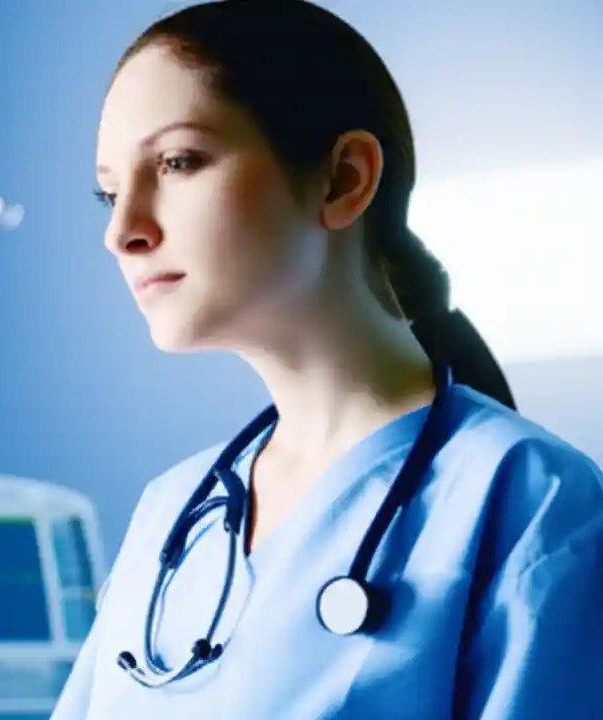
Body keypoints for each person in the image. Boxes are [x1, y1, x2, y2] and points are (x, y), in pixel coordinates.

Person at [54, 1, 603, 717]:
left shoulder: (531, 502)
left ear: (343, 179)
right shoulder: (170, 512)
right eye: (109, 192)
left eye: (178, 162)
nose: (122, 231)